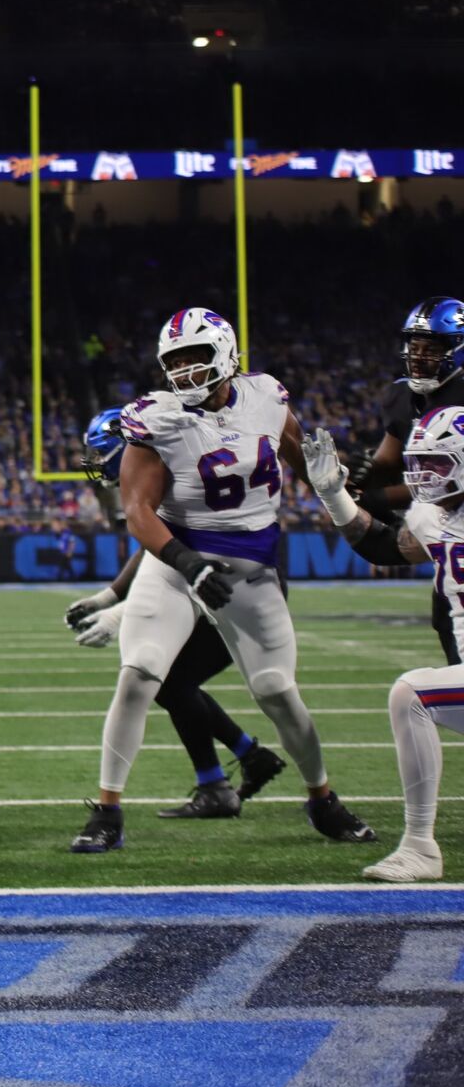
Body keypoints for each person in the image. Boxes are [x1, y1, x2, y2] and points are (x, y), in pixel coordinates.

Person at [69, 308, 373, 853]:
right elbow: (139, 511)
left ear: (227, 354)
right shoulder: (153, 417)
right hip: (177, 560)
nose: (184, 372)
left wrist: (334, 487)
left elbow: (306, 460)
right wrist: (184, 563)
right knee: (139, 673)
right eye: (174, 362)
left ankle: (322, 800)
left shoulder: (266, 396)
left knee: (276, 690)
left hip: (252, 567)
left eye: (195, 357)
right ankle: (108, 812)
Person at [64, 408, 286, 817]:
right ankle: (236, 768)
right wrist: (109, 598)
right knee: (170, 681)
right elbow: (159, 547)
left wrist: (120, 611)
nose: (95, 462)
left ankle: (244, 777)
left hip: (236, 588)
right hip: (212, 584)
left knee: (178, 681)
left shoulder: (180, 472)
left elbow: (190, 556)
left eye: (100, 452)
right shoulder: (167, 471)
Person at [305, 408, 464, 881]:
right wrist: (334, 494)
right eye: (421, 462)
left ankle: (419, 846)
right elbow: (380, 544)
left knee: (411, 694)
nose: (423, 475)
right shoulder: (435, 517)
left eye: (437, 463)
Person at [353, 297, 464, 667]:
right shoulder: (405, 395)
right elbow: (387, 461)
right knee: (448, 622)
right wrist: (355, 473)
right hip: (442, 524)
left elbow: (442, 484)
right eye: (414, 347)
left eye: (431, 349)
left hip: (452, 511)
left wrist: (372, 497)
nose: (418, 356)